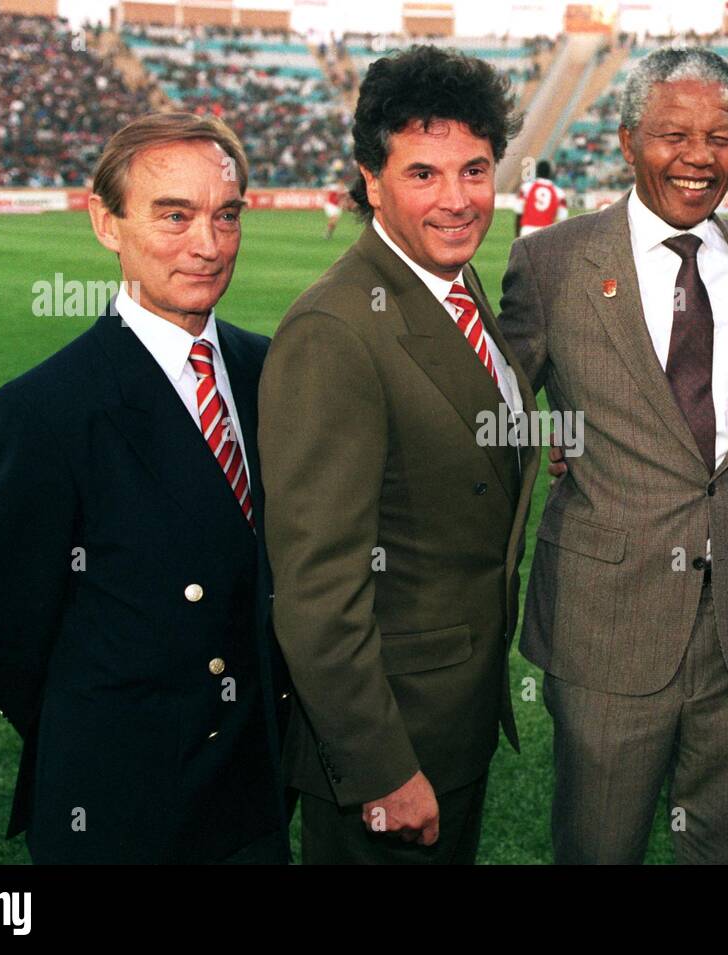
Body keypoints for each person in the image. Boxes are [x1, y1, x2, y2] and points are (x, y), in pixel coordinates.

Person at [0, 113, 291, 864]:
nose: (207, 244)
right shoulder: (45, 408)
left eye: (225, 216)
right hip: (117, 806)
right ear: (105, 222)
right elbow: (2, 623)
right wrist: (102, 730)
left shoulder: (270, 369)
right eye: (174, 215)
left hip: (252, 792)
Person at [499, 47, 728, 864]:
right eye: (674, 134)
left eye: (722, 135)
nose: (700, 156)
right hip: (606, 628)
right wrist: (556, 440)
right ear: (627, 140)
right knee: (599, 848)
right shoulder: (551, 261)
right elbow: (491, 411)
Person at [258, 46, 539, 865]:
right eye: (423, 174)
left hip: (452, 719)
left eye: (475, 170)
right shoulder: (334, 329)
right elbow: (316, 589)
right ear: (371, 181)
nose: (457, 200)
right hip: (392, 747)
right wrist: (380, 768)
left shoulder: (452, 284)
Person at [514, 160, 568, 237]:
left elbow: (519, 213)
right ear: (550, 173)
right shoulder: (560, 193)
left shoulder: (526, 188)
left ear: (537, 172)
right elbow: (563, 218)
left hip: (527, 231)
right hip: (547, 233)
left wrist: (517, 237)